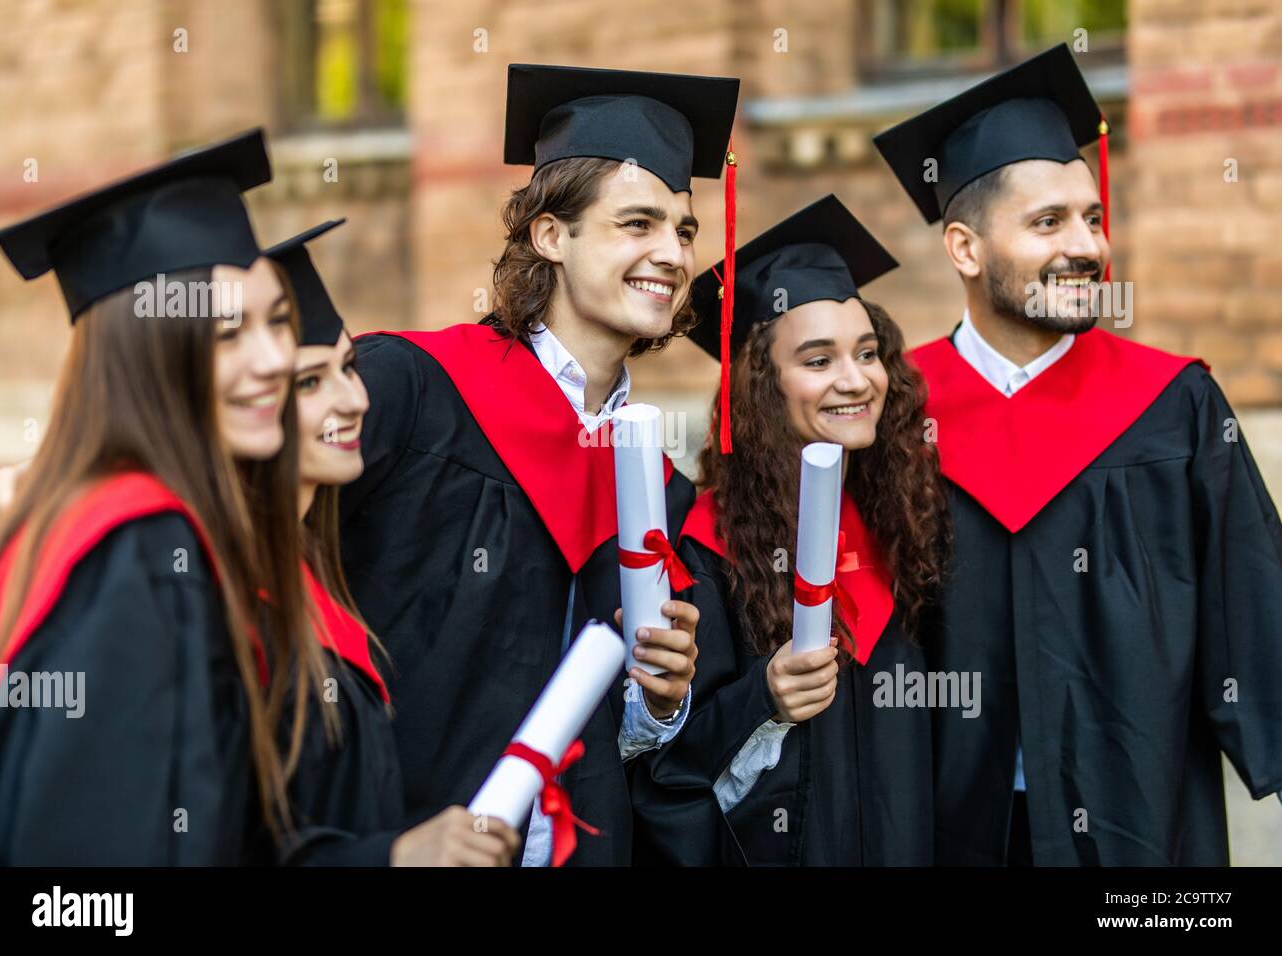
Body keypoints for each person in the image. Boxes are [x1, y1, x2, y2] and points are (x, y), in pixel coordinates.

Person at [874, 42, 1282, 865]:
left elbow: (1252, 611)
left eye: (1093, 218)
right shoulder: (894, 412)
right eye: (1048, 222)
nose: (1089, 247)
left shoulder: (1173, 406)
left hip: (1138, 819)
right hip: (952, 825)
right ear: (965, 248)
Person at [338, 64, 739, 865]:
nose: (671, 253)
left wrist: (658, 700)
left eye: (684, 230)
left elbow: (614, 744)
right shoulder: (409, 391)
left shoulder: (658, 491)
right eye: (637, 224)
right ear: (551, 236)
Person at [0, 130, 329, 864]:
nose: (275, 360)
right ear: (148, 355)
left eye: (276, 322)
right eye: (228, 332)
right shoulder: (137, 552)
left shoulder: (88, 522)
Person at [632, 195, 947, 865]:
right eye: (817, 360)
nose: (856, 379)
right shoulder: (704, 550)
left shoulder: (908, 529)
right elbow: (660, 770)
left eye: (868, 352)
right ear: (761, 386)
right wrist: (761, 697)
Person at [266, 219, 519, 866]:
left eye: (349, 368)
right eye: (309, 382)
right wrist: (396, 856)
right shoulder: (221, 603)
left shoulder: (315, 582)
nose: (354, 400)